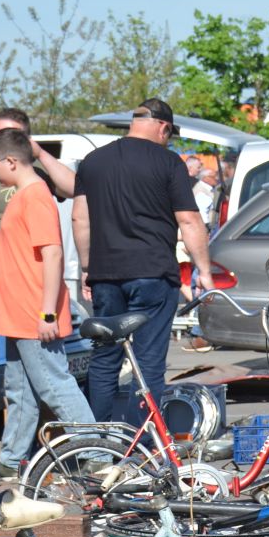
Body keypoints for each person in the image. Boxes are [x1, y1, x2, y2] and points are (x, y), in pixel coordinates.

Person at [74, 98, 215, 425]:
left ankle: (99, 441)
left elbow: (80, 220)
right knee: (149, 360)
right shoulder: (168, 163)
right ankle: (147, 439)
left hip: (106, 274)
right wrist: (204, 272)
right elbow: (190, 220)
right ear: (164, 127)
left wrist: (86, 267)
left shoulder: (93, 162)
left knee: (105, 358)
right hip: (153, 273)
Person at [0, 128, 95, 478]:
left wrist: (47, 311)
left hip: (35, 314)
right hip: (18, 316)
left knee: (53, 385)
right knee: (21, 391)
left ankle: (99, 453)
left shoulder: (35, 196)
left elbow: (52, 254)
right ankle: (10, 460)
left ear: (11, 161)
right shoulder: (23, 195)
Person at [0, 108, 75, 369]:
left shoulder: (35, 171)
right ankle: (17, 409)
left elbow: (74, 188)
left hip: (38, 277)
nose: (3, 140)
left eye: (12, 135)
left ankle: (45, 409)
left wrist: (40, 153)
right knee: (11, 362)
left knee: (44, 363)